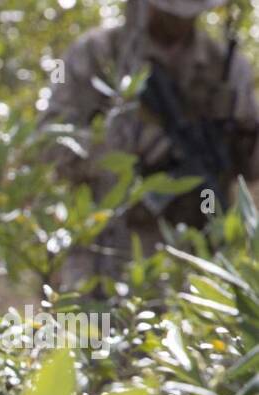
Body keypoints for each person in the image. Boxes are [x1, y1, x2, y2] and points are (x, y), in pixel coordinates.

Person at [44, 0, 259, 289]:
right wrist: (121, 149)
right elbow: (50, 145)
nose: (176, 20)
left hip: (199, 261)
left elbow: (250, 166)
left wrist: (239, 132)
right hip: (105, 257)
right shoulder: (95, 53)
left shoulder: (227, 66)